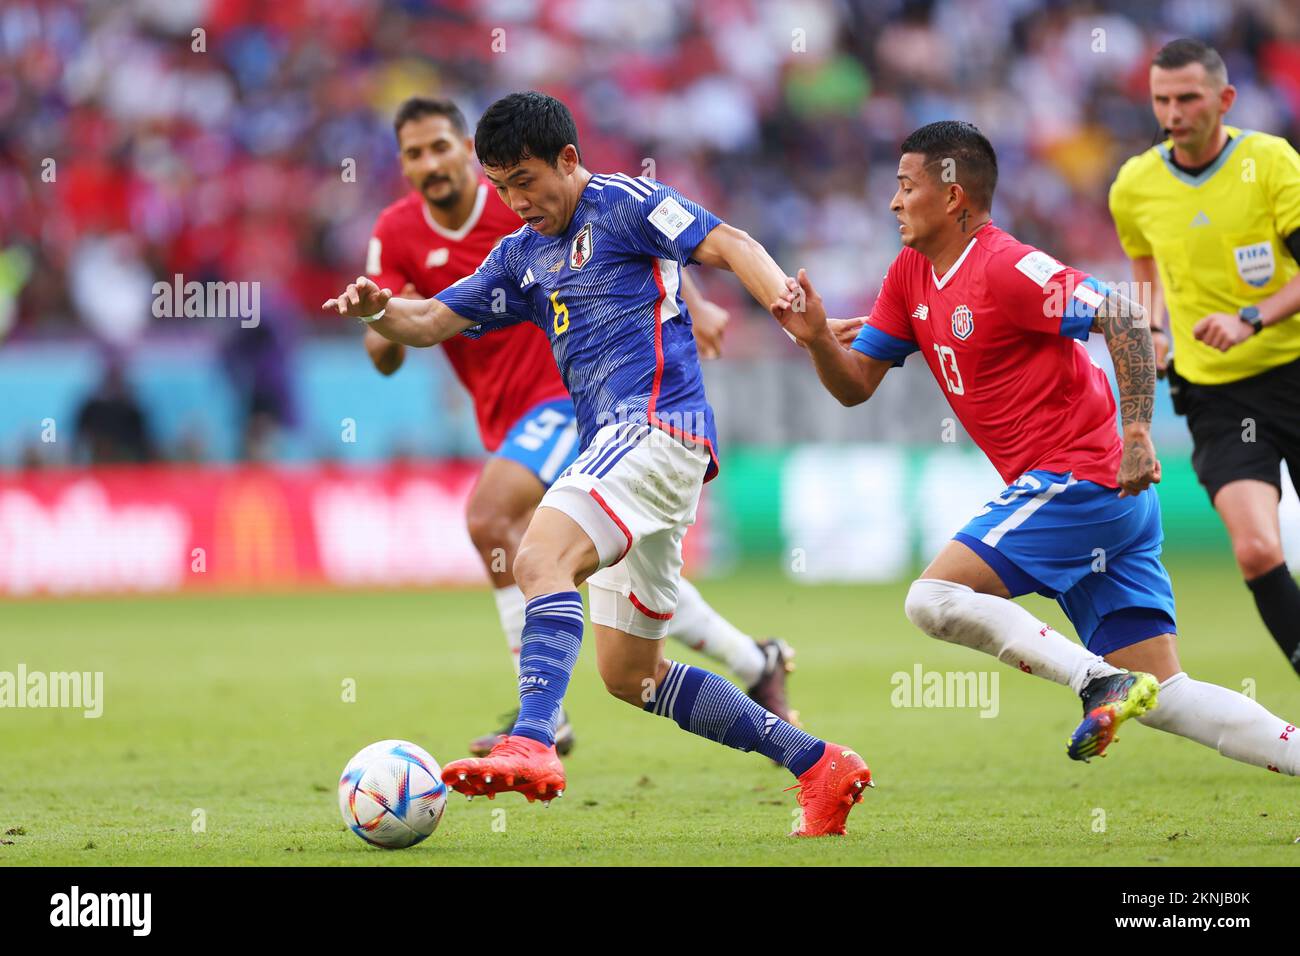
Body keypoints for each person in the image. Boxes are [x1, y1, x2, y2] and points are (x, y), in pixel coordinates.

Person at [326, 91, 873, 836]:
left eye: (526, 180)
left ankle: (534, 735)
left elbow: (729, 241)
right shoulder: (521, 254)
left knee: (536, 552)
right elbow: (431, 319)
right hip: (628, 450)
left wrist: (786, 307)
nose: (517, 201)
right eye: (503, 187)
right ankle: (817, 764)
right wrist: (376, 309)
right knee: (631, 676)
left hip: (655, 424)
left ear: (569, 161)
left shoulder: (624, 205)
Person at [775, 120, 1300, 777]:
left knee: (931, 600)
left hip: (1084, 479)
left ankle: (1096, 682)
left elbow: (1125, 316)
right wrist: (819, 336)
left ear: (954, 196)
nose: (893, 201)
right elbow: (854, 386)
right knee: (1169, 698)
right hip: (1095, 503)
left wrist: (1138, 433)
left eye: (906, 186)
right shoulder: (910, 276)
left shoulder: (1008, 266)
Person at [1109, 38, 1300, 677]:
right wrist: (1153, 330)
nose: (1173, 111)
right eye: (1162, 99)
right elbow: (1142, 274)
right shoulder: (1136, 184)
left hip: (1294, 367)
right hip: (1216, 393)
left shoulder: (1270, 162)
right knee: (1254, 549)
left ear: (1224, 99)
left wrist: (1252, 317)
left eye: (1188, 97)